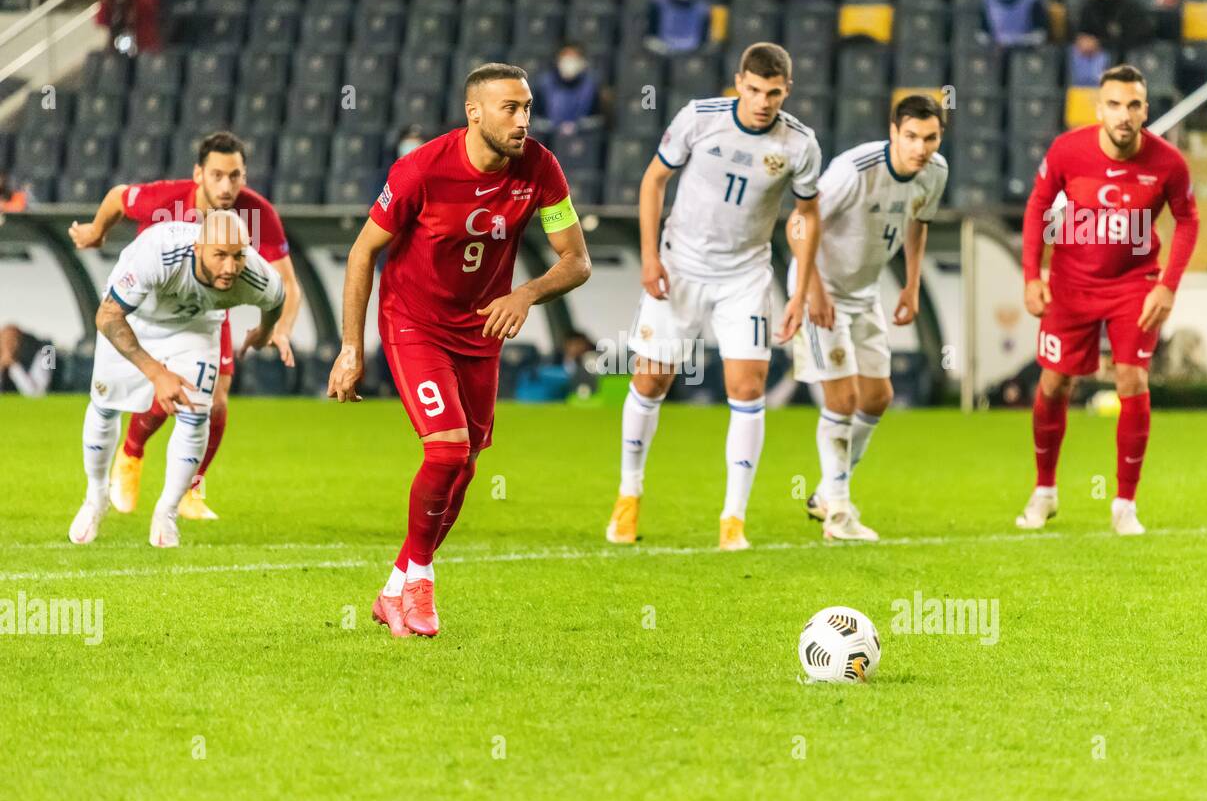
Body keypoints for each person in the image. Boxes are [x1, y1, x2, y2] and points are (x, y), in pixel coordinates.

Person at [327, 63, 591, 639]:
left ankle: (394, 589)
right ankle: (419, 586)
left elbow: (577, 259)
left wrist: (526, 292)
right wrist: (351, 348)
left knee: (466, 465)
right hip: (414, 324)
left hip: (481, 334)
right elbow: (362, 253)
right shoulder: (420, 170)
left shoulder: (541, 168)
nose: (524, 120)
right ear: (475, 113)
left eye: (526, 107)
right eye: (510, 108)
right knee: (446, 454)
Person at [605, 42, 826, 552]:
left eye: (773, 93)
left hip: (745, 276)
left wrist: (802, 287)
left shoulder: (800, 144)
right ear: (738, 82)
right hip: (679, 265)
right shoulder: (698, 119)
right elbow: (654, 181)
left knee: (748, 389)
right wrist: (649, 257)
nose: (762, 101)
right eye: (753, 90)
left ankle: (733, 519)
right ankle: (629, 493)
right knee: (650, 379)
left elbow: (808, 214)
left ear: (786, 90)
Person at [68, 131, 302, 521]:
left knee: (213, 399)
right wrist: (96, 231)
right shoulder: (165, 198)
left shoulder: (258, 213)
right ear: (198, 174)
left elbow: (284, 283)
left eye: (235, 175)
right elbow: (118, 196)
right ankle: (131, 451)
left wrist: (280, 328)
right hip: (149, 307)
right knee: (136, 393)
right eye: (217, 175)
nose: (227, 186)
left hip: (206, 308)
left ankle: (191, 488)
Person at [1018, 64, 1199, 536]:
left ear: (1145, 109)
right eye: (1115, 104)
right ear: (1099, 108)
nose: (1124, 114)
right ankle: (1044, 490)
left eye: (1134, 104)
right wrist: (1030, 275)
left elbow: (1188, 219)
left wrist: (1168, 285)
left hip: (1134, 286)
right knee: (1055, 383)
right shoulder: (1067, 151)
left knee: (1132, 380)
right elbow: (1038, 206)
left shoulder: (1168, 163)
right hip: (1070, 286)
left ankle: (1124, 503)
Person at [68, 211, 286, 548]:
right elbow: (107, 316)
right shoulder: (158, 252)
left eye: (238, 255)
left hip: (195, 327)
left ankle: (167, 512)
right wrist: (156, 372)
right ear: (198, 248)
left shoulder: (256, 276)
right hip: (133, 321)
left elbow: (276, 299)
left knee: (198, 412)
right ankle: (95, 498)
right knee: (104, 407)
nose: (230, 267)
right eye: (220, 255)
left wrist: (264, 332)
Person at [793, 95, 949, 542]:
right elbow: (800, 223)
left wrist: (912, 284)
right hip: (818, 288)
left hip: (864, 293)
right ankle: (839, 511)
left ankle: (825, 491)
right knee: (841, 400)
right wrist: (814, 292)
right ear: (894, 132)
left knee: (877, 397)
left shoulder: (935, 172)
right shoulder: (854, 170)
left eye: (931, 138)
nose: (921, 148)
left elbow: (919, 222)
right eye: (912, 137)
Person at [1070, 0, 1154, 86]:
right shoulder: (1086, 6)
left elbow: (1141, 37)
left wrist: (1101, 44)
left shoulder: (1128, 6)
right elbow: (1079, 32)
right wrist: (1083, 41)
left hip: (1125, 61)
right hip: (1093, 62)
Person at [533, 43, 607, 136]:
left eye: (574, 57)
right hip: (549, 139)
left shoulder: (593, 86)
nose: (569, 62)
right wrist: (555, 127)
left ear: (583, 62)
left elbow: (598, 120)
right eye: (565, 57)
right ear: (557, 60)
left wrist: (577, 127)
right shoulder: (543, 84)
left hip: (583, 139)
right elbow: (535, 119)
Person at [645, 0, 712, 56]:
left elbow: (705, 37)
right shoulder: (659, 2)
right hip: (662, 50)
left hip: (692, 52)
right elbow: (651, 30)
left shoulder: (702, 7)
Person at [0, 325, 54, 396]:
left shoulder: (40, 356)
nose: (9, 345)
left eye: (13, 340)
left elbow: (37, 394)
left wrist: (15, 366)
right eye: (4, 341)